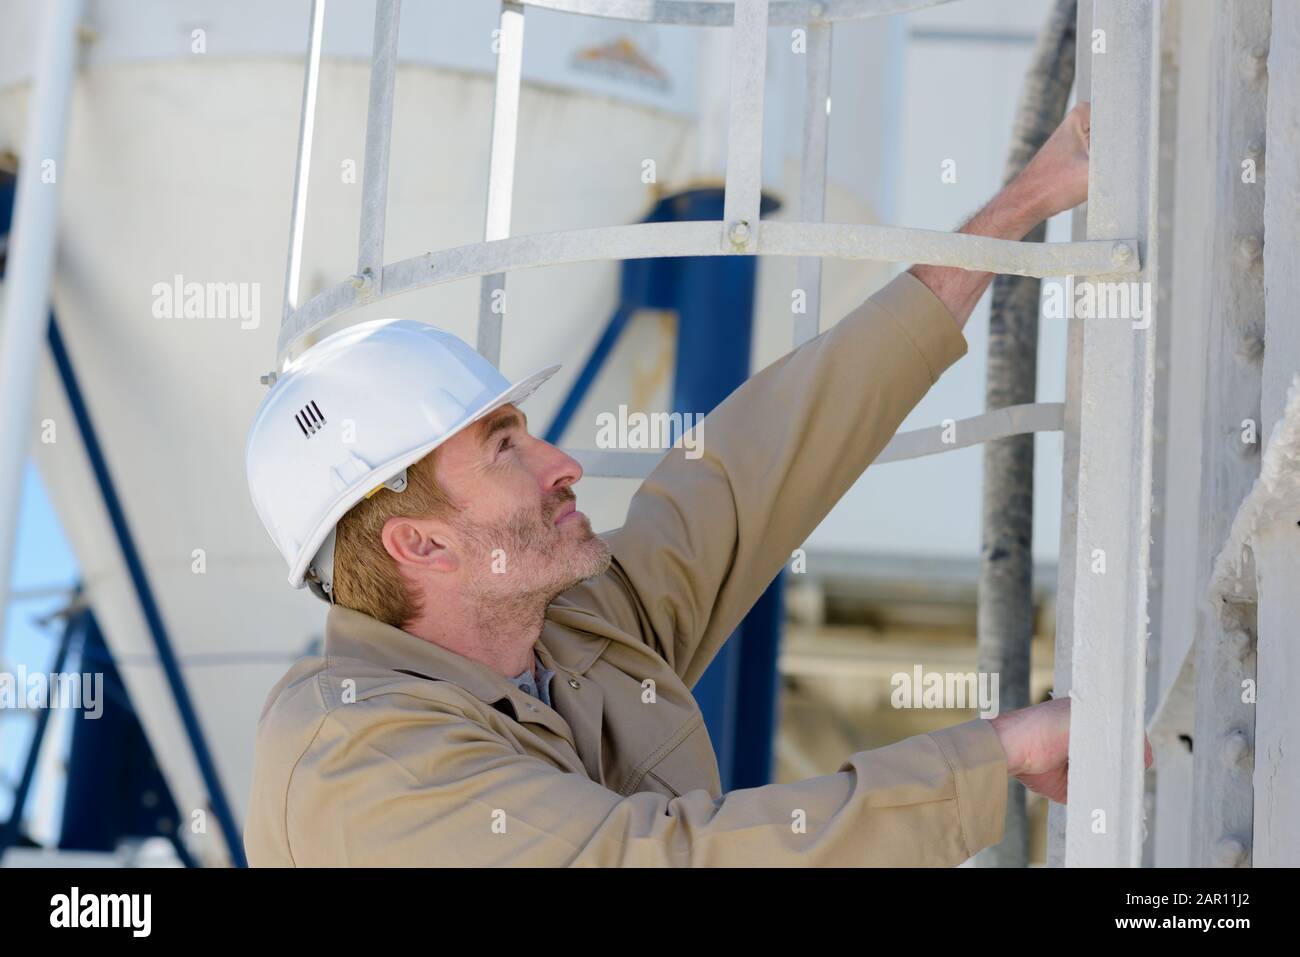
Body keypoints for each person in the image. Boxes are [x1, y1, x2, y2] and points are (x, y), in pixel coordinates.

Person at [244, 102, 1146, 866]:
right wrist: (993, 756)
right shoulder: (353, 754)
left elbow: (760, 463)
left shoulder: (571, 631)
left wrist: (1026, 201)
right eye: (505, 448)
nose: (565, 463)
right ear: (421, 543)